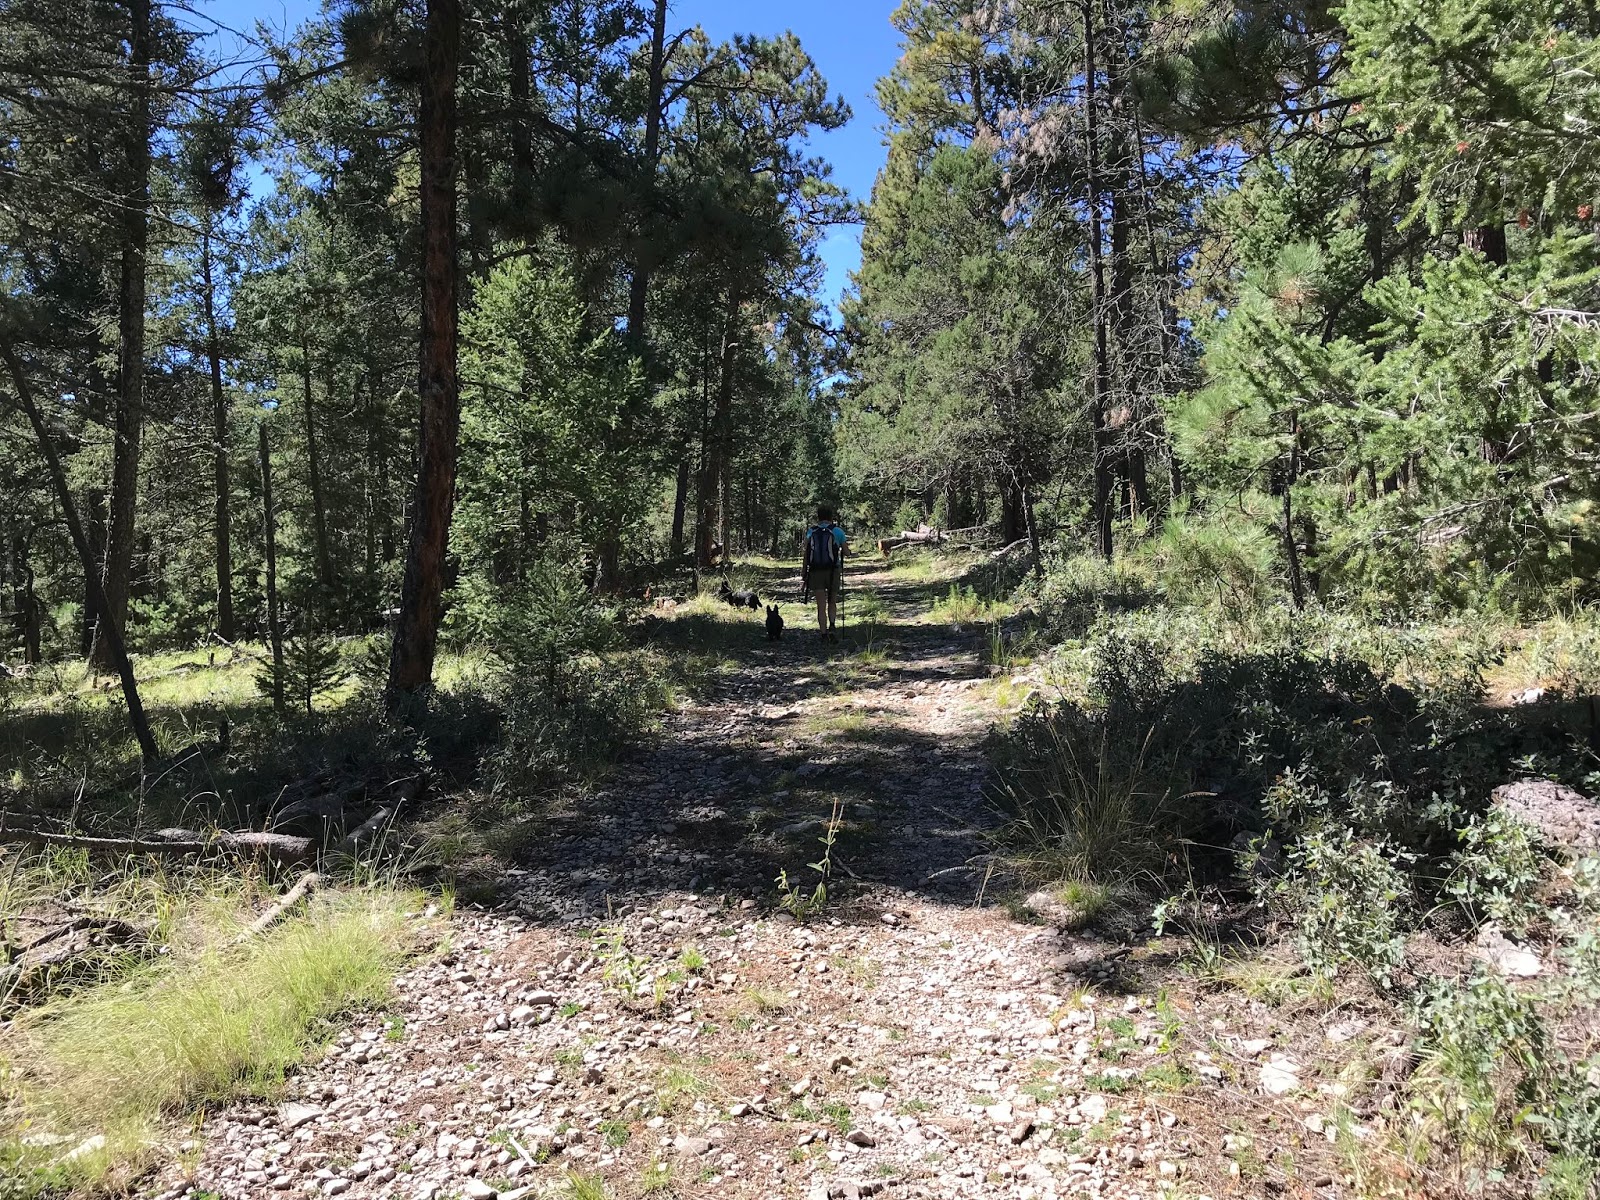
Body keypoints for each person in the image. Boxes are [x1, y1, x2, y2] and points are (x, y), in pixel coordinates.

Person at [801, 504, 849, 641]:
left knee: (820, 605)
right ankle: (832, 625)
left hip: (816, 571)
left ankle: (823, 634)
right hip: (833, 570)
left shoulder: (811, 532)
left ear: (818, 516)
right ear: (831, 516)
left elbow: (806, 554)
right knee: (832, 600)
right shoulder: (837, 531)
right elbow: (846, 552)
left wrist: (804, 574)